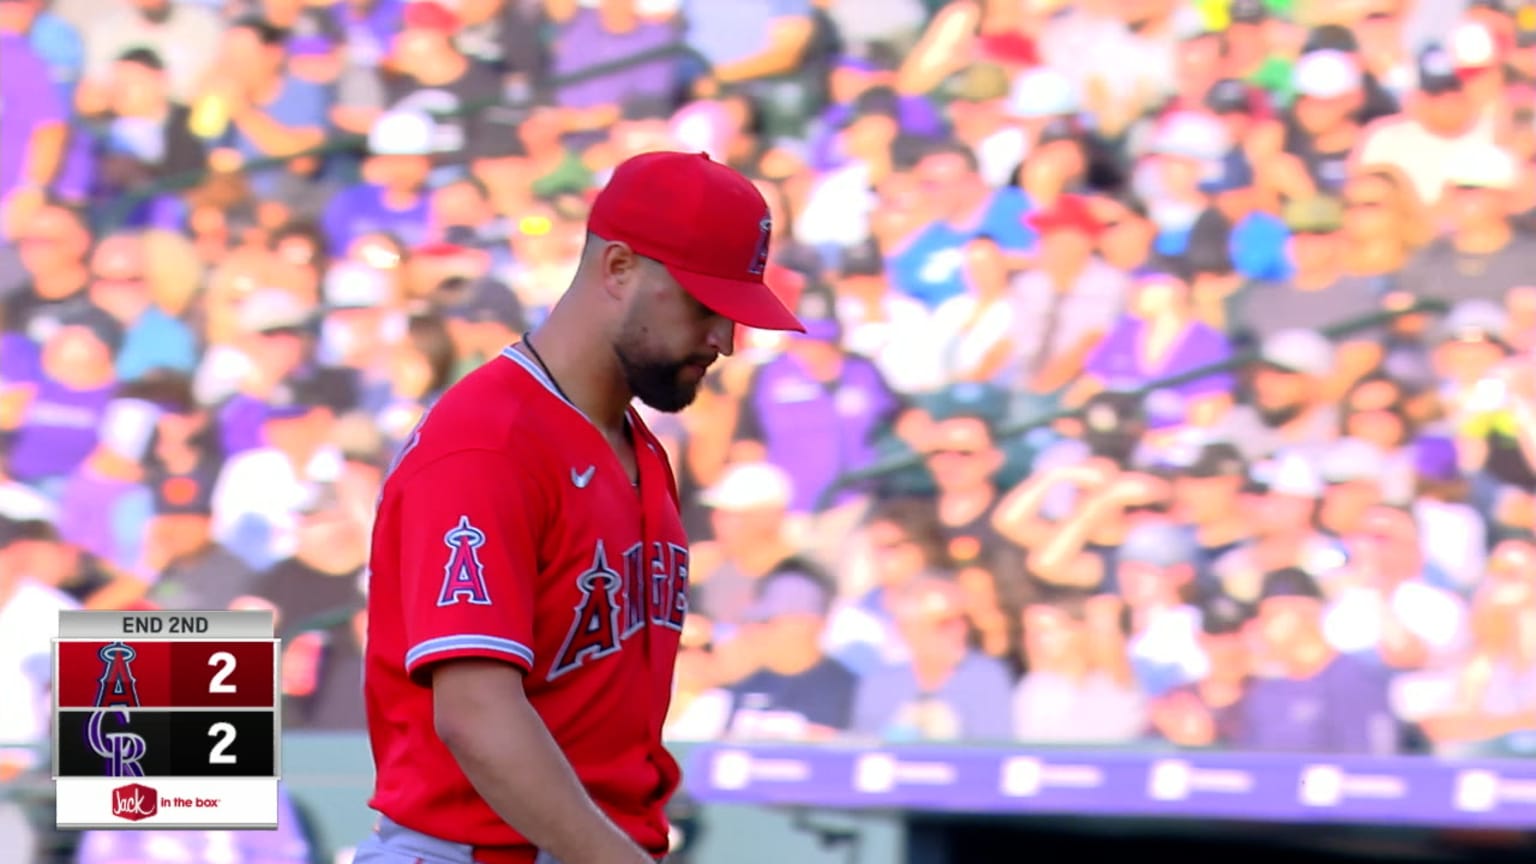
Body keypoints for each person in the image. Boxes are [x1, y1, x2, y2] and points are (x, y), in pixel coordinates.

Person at [354, 150, 803, 864]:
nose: (724, 339)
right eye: (704, 305)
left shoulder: (640, 447)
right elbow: (474, 715)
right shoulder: (488, 442)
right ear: (619, 268)